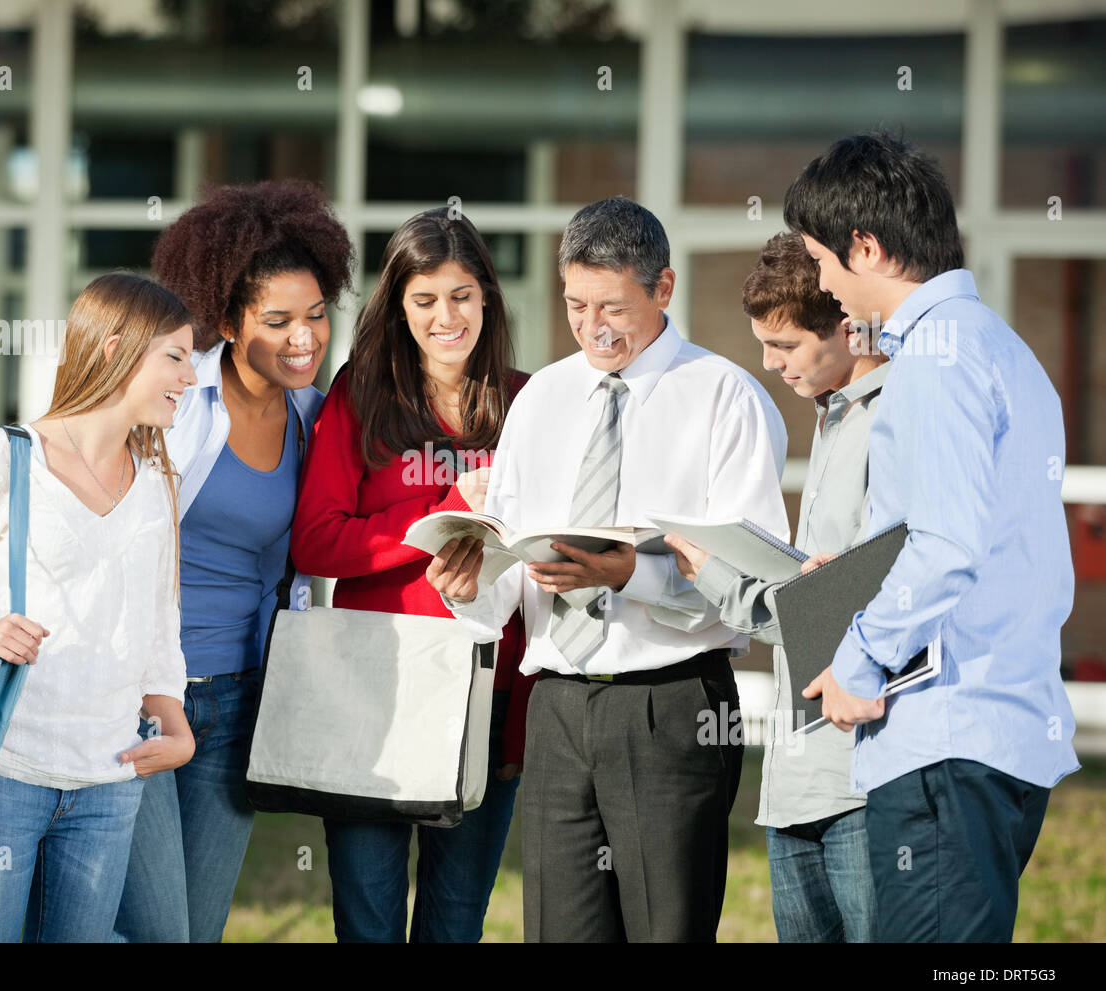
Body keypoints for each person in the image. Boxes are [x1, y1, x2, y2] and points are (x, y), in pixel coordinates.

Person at [427, 197, 789, 942]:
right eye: (576, 304)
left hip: (673, 706)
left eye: (614, 306)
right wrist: (472, 586)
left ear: (663, 289)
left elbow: (756, 587)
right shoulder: (541, 400)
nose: (594, 326)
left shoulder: (726, 399)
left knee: (665, 930)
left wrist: (632, 575)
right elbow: (515, 565)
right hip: (556, 708)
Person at [783, 131, 1079, 942]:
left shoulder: (937, 359)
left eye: (821, 261)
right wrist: (867, 570)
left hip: (943, 742)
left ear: (866, 247)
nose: (822, 284)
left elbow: (947, 544)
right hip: (996, 735)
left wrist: (858, 657)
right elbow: (974, 535)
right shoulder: (1000, 349)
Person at [0, 272, 198, 942]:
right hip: (2, 775)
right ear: (115, 349)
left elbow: (159, 630)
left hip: (109, 785)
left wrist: (175, 725)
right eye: (175, 356)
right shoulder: (5, 457)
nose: (190, 377)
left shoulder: (156, 486)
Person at [113, 181, 355, 942]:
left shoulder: (315, 418)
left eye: (316, 315)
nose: (304, 338)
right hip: (144, 696)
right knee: (154, 928)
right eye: (277, 320)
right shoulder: (177, 400)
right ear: (225, 321)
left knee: (197, 928)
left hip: (240, 705)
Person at [289, 208, 535, 943]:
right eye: (424, 299)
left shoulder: (527, 403)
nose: (445, 316)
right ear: (399, 306)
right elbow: (316, 541)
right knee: (368, 921)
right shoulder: (360, 394)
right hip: (378, 688)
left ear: (487, 297)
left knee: (455, 920)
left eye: (461, 295)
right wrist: (439, 514)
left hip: (487, 690)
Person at [663, 231, 886, 942]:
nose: (769, 363)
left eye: (785, 345)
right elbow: (824, 591)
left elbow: (850, 606)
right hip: (797, 779)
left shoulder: (898, 418)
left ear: (846, 325)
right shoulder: (835, 412)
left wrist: (716, 578)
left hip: (865, 782)